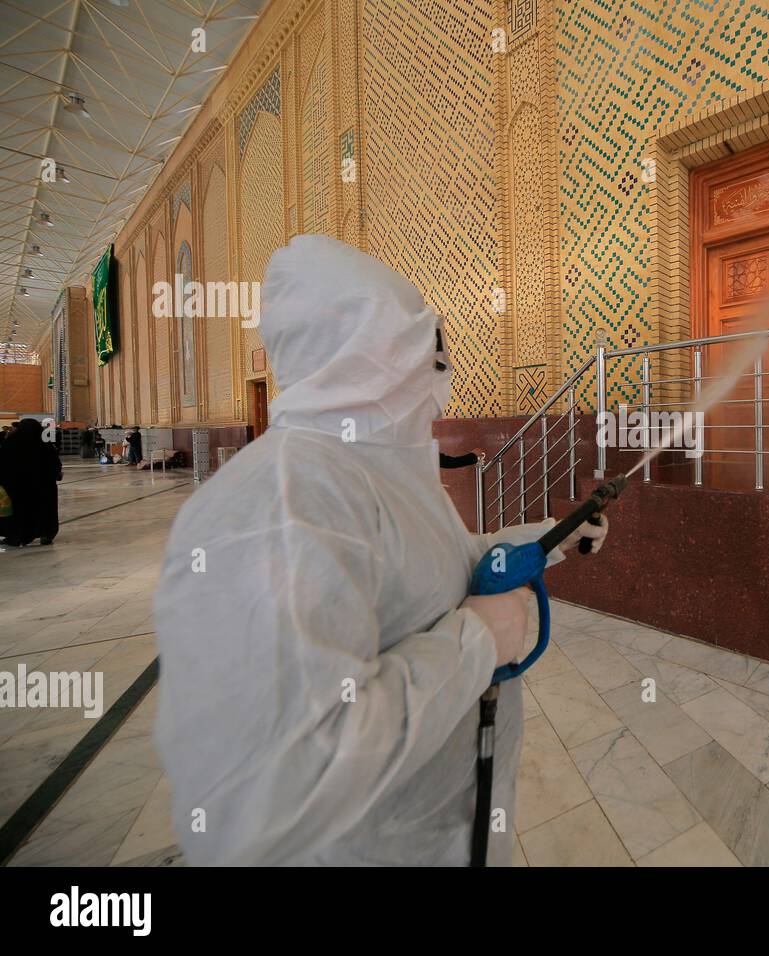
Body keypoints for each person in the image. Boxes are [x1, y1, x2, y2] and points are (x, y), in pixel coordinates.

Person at [152, 235, 607, 866]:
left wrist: (545, 539)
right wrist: (474, 644)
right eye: (417, 350)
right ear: (362, 352)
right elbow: (272, 792)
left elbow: (443, 568)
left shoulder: (381, 471)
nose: (438, 373)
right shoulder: (277, 505)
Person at [0, 417, 63, 546]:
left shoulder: (12, 442)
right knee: (46, 509)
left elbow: (3, 463)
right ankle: (47, 533)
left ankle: (20, 535)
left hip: (20, 486)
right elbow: (55, 462)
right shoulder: (45, 443)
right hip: (44, 485)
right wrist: (55, 474)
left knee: (22, 511)